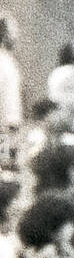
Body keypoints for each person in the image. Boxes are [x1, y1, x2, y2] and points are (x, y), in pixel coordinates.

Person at [0, 16, 23, 171]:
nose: (17, 35)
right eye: (13, 30)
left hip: (10, 125)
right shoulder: (3, 61)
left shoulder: (8, 60)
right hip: (4, 127)